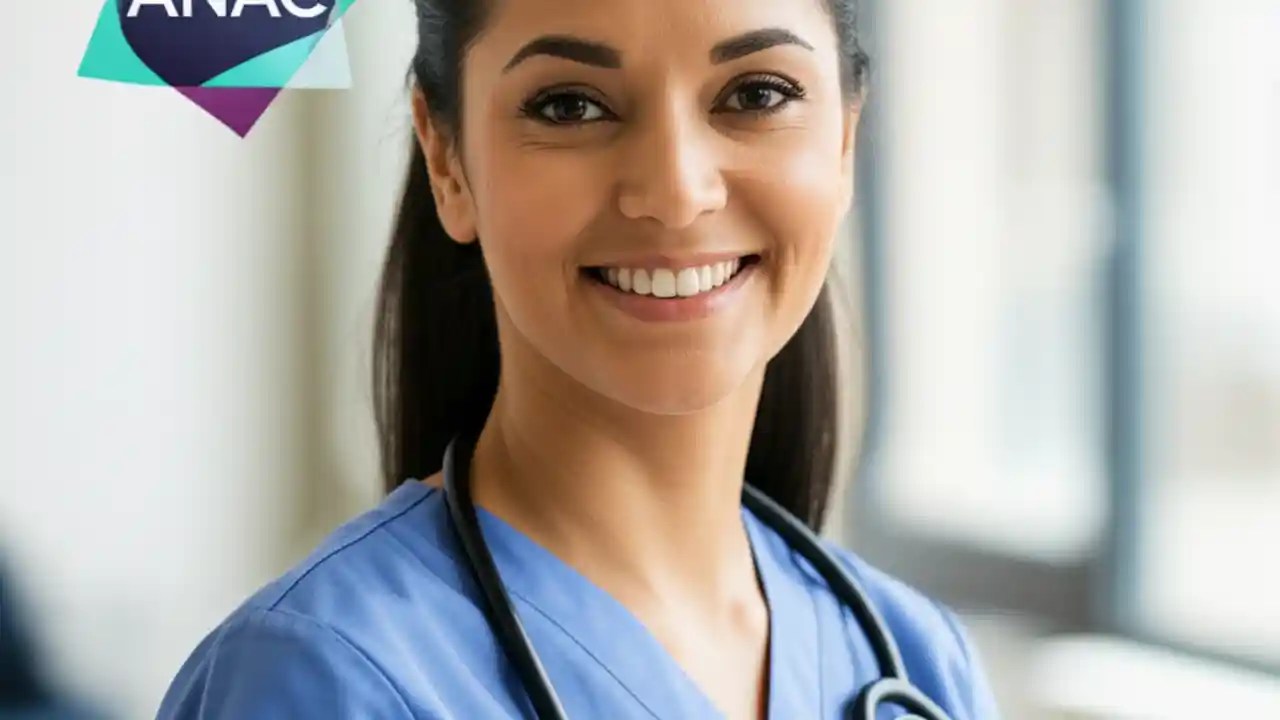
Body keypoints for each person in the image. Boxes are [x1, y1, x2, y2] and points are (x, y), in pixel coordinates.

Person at [157, 0, 1001, 717]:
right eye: (569, 106)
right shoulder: (321, 678)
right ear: (447, 159)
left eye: (757, 93)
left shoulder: (917, 661)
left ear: (845, 142)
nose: (674, 192)